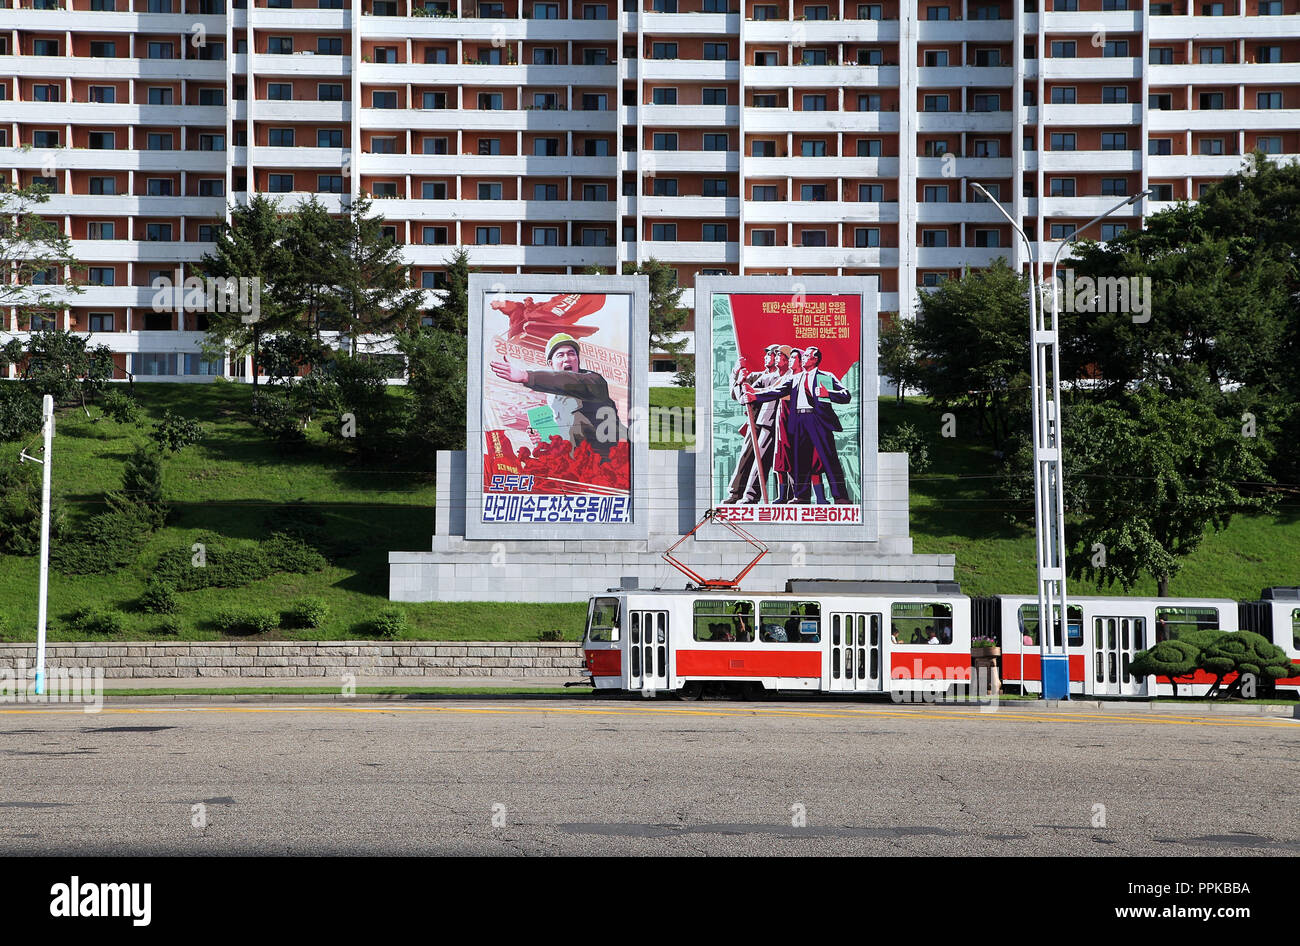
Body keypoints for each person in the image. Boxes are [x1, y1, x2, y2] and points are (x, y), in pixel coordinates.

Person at [489, 333, 624, 461]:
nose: (567, 358)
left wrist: (527, 376)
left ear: (578, 359)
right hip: (581, 467)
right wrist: (543, 441)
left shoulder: (593, 382)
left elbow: (567, 381)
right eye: (560, 355)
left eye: (571, 354)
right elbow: (565, 442)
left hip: (613, 460)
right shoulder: (552, 401)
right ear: (550, 364)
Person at [743, 346, 851, 504]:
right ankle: (801, 496)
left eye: (807, 355)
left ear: (815, 359)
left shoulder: (826, 377)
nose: (804, 357)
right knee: (800, 461)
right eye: (804, 355)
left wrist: (828, 394)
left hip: (818, 421)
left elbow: (845, 395)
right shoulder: (795, 379)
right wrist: (754, 396)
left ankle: (840, 497)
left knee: (829, 459)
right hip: (799, 420)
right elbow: (776, 391)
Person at [725, 346, 781, 503]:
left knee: (762, 460)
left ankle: (751, 496)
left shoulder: (781, 377)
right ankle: (735, 493)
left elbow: (755, 394)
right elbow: (738, 394)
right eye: (767, 354)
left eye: (771, 354)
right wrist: (737, 375)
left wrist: (748, 392)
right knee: (745, 457)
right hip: (754, 422)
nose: (767, 357)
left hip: (771, 423)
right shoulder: (758, 376)